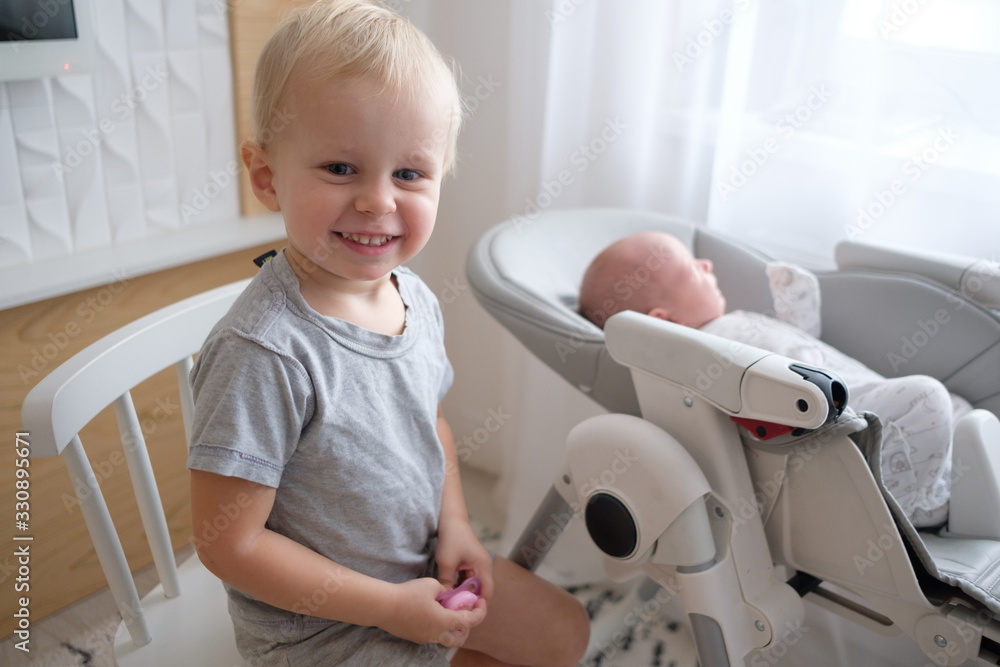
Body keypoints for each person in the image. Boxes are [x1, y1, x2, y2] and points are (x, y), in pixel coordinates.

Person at [187, 2, 590, 665]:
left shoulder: (417, 300)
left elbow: (429, 422)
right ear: (266, 177)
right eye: (341, 169)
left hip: (415, 570)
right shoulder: (264, 351)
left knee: (564, 629)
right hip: (320, 627)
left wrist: (455, 524)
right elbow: (228, 543)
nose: (378, 200)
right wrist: (388, 607)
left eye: (409, 173)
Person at [579, 231, 973, 529]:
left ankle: (947, 477)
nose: (708, 266)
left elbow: (800, 350)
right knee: (927, 398)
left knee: (955, 408)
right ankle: (900, 507)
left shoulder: (730, 324)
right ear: (664, 321)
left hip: (847, 391)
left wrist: (798, 309)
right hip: (848, 425)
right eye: (693, 267)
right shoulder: (705, 354)